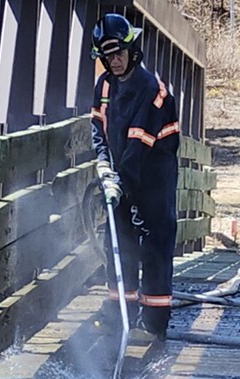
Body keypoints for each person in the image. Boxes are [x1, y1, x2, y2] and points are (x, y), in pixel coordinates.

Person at [89, 13, 181, 339]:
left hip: (154, 176)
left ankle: (154, 324)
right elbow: (98, 128)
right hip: (121, 173)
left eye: (119, 54)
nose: (114, 61)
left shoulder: (152, 90)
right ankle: (119, 316)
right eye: (108, 56)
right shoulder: (104, 86)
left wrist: (119, 180)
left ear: (132, 49)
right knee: (118, 241)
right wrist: (104, 166)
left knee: (154, 246)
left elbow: (139, 141)